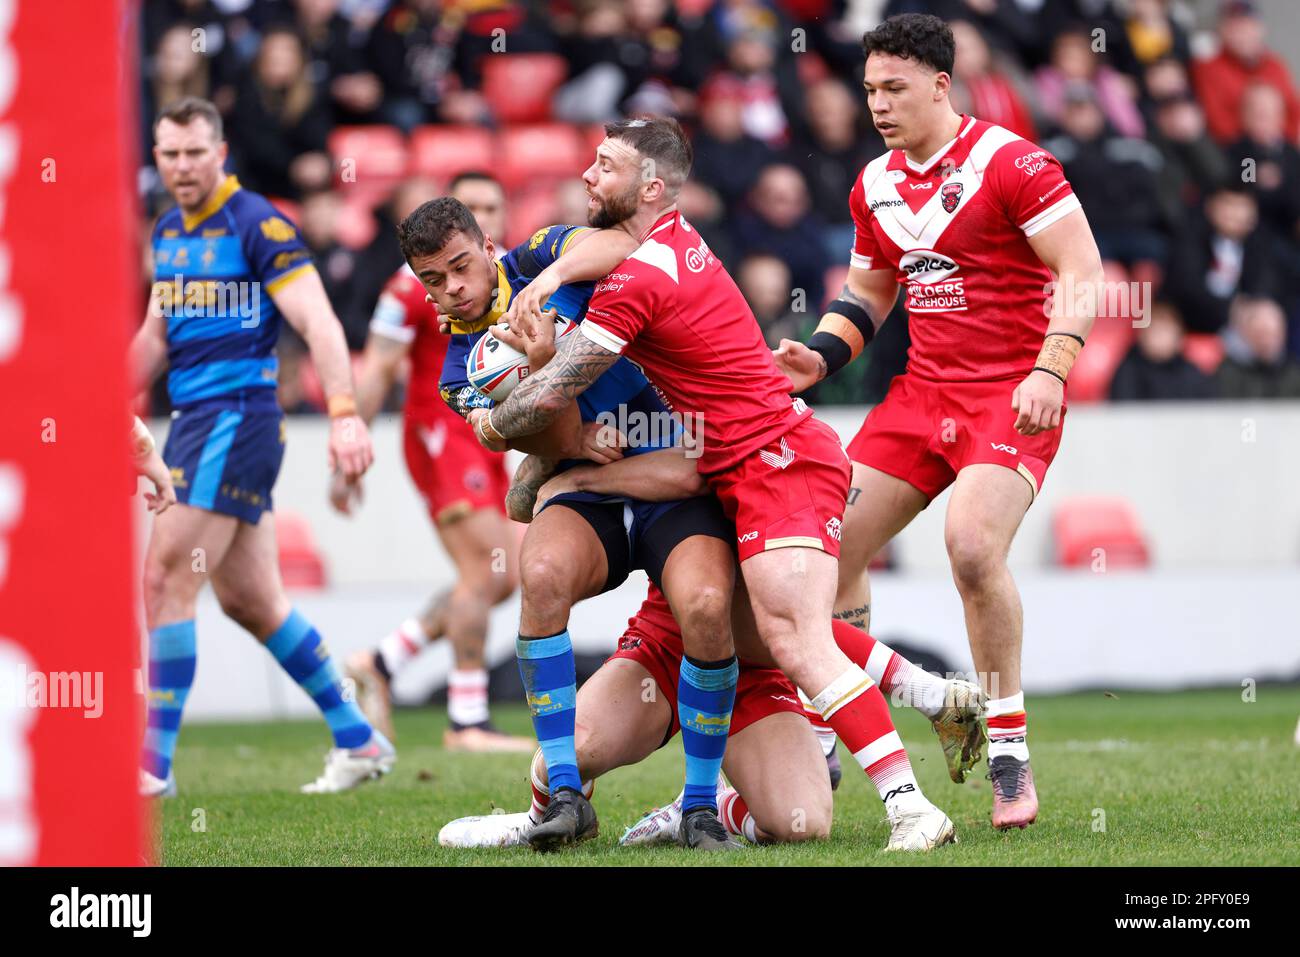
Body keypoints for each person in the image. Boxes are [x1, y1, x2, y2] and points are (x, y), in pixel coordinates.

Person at [477, 115, 958, 851]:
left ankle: (910, 804)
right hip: (738, 478)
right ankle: (916, 702)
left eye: (605, 166)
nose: (586, 175)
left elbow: (549, 397)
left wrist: (494, 422)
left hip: (775, 460)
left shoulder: (638, 281)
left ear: (652, 187)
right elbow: (548, 463)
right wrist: (547, 283)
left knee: (789, 642)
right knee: (766, 632)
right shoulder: (658, 246)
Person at [774, 15, 1105, 830]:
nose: (878, 105)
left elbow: (1082, 268)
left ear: (940, 86)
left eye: (893, 89)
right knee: (822, 546)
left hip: (1011, 394)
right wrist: (821, 354)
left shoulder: (1013, 162)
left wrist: (1049, 369)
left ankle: (1006, 745)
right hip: (924, 396)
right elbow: (871, 293)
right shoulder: (874, 183)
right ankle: (831, 724)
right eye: (869, 91)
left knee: (970, 546)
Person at [399, 199, 756, 851]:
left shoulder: (539, 257)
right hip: (580, 478)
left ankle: (700, 806)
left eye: (460, 265)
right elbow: (502, 434)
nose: (453, 288)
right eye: (433, 279)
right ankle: (566, 794)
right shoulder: (459, 370)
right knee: (538, 574)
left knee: (707, 602)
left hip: (665, 461)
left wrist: (547, 282)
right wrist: (543, 380)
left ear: (486, 244)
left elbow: (623, 247)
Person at [440, 444, 968, 852]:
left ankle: (704, 805)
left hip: (753, 673)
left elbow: (795, 627)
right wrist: (546, 441)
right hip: (665, 652)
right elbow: (528, 490)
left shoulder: (767, 437)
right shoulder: (680, 403)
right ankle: (542, 812)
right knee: (574, 749)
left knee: (801, 822)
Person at [130, 97, 391, 797]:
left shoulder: (258, 223)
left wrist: (344, 414)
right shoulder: (169, 230)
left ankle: (152, 768)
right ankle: (358, 736)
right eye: (168, 153)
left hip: (233, 420)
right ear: (156, 156)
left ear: (221, 152)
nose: (181, 166)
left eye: (193, 152)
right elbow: (157, 336)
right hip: (198, 420)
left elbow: (319, 320)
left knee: (162, 580)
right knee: (253, 600)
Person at [335, 180, 529, 752]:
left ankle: (381, 660)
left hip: (486, 438)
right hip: (441, 436)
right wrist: (350, 450)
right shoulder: (409, 289)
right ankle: (466, 720)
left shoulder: (511, 274)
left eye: (494, 207)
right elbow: (377, 370)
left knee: (502, 578)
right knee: (488, 575)